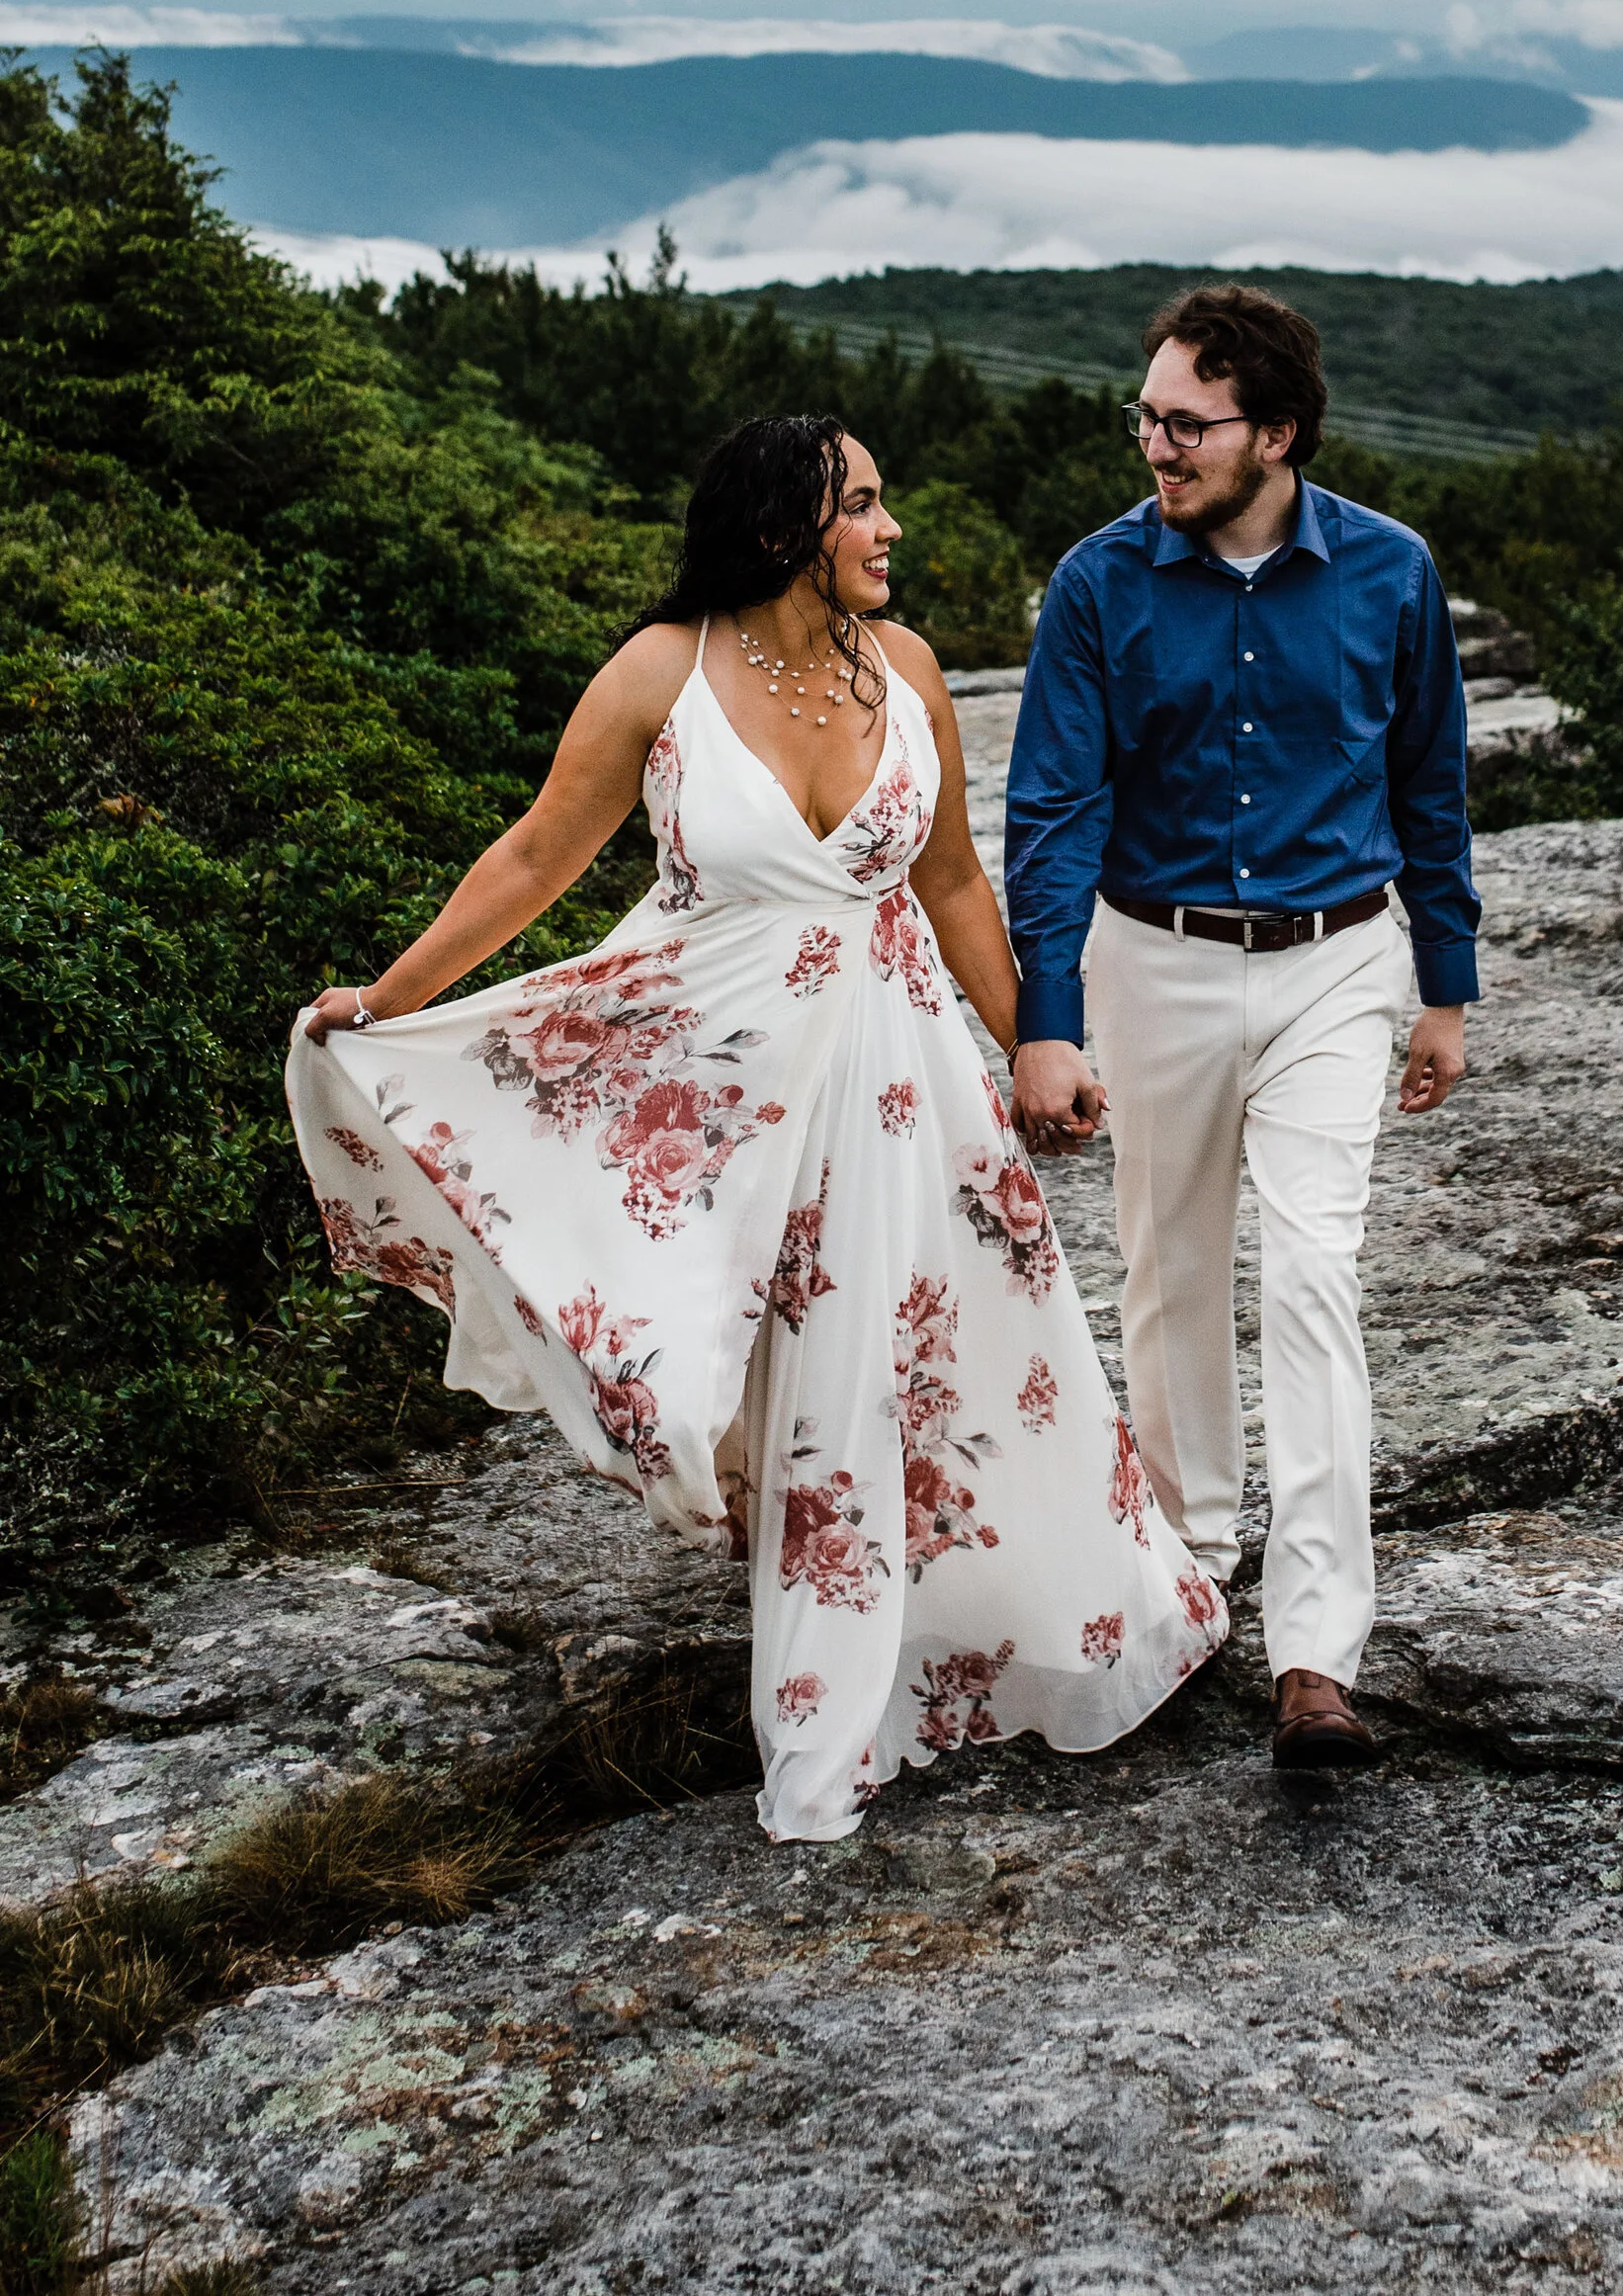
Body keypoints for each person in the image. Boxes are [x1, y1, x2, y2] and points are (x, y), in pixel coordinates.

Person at [288, 413, 1226, 1843]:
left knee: (976, 1353)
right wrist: (397, 995)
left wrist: (1040, 1037)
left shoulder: (906, 671)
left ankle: (1049, 1627)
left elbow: (958, 881)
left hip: (903, 1076)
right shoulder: (661, 671)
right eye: (864, 503)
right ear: (790, 525)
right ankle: (830, 1714)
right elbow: (541, 851)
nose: (891, 527)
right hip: (723, 1088)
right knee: (794, 1392)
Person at [1003, 284, 1478, 1772]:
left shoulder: (1393, 574)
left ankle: (1318, 1655)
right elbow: (1055, 813)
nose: (1157, 443)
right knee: (1170, 1266)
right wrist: (1050, 1019)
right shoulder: (1096, 586)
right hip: (1161, 957)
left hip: (1342, 960)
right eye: (1146, 415)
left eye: (1186, 422)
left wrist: (1445, 987)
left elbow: (1432, 785)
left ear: (1274, 431)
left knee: (1316, 1271)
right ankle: (1193, 1567)